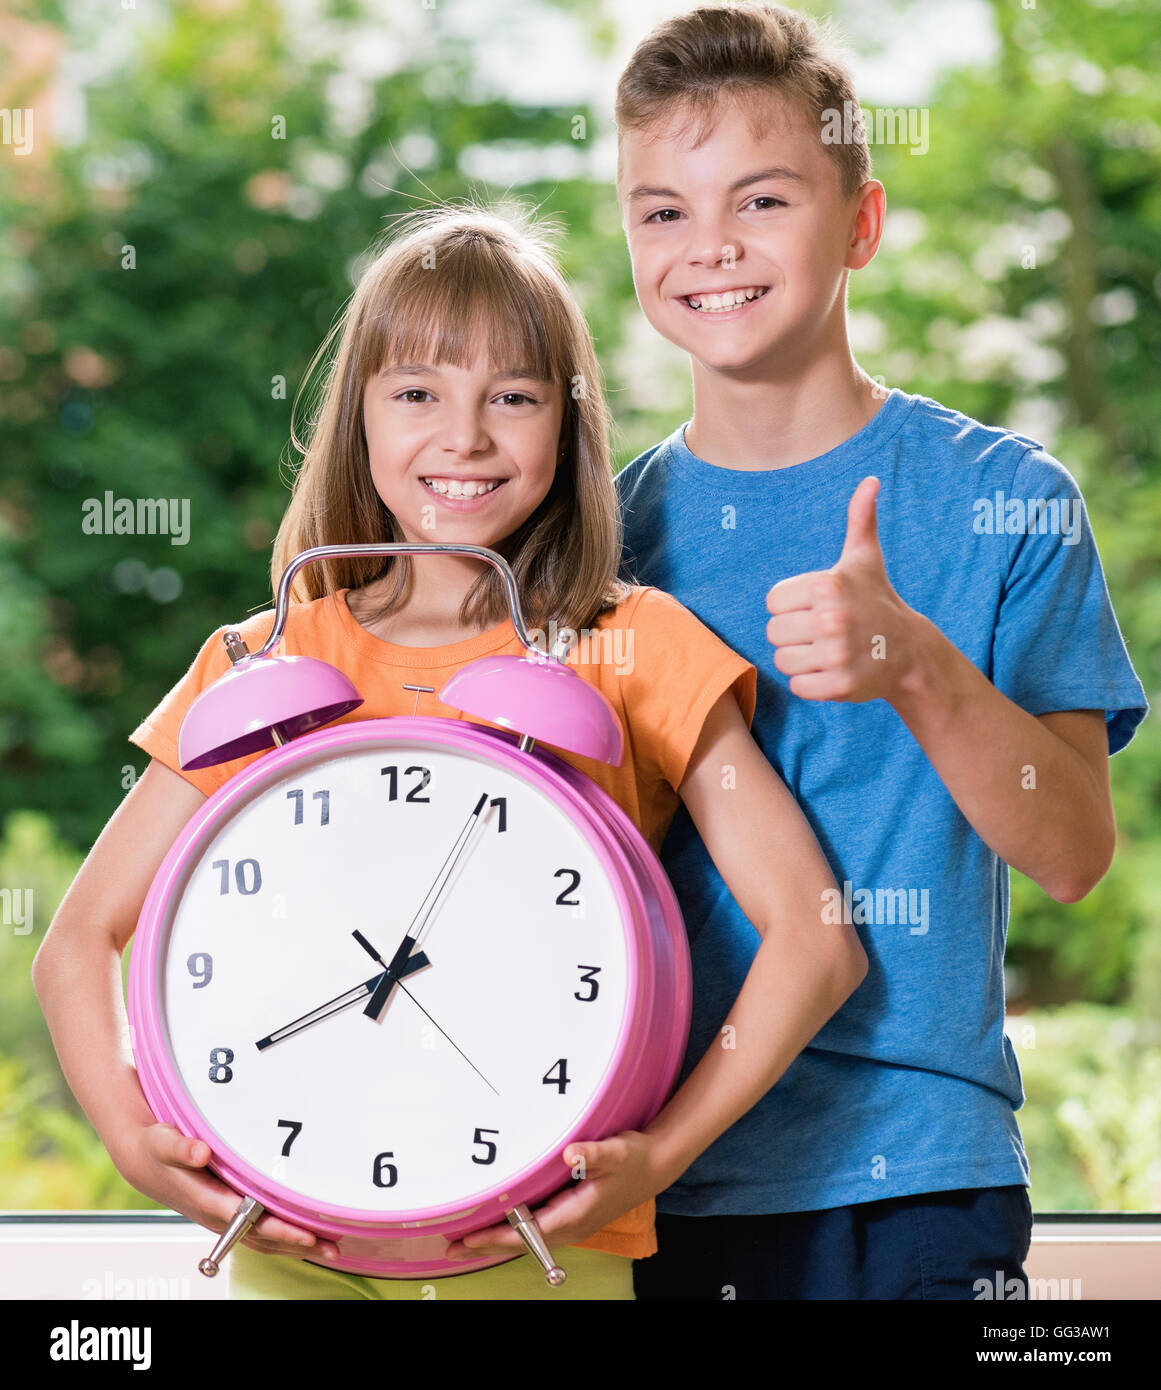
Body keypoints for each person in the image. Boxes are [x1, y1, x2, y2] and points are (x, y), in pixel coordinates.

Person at [32, 203, 866, 1302]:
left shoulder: (634, 646)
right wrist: (143, 1144)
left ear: (566, 427)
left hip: (535, 1246)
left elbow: (820, 938)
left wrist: (663, 1153)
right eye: (418, 392)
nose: (464, 437)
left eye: (512, 397)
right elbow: (76, 940)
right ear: (359, 417)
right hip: (296, 1238)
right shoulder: (263, 653)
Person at [612, 3, 1149, 1300]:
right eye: (662, 210)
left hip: (920, 1179)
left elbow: (1072, 848)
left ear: (860, 221)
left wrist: (918, 665)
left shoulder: (1007, 497)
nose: (711, 247)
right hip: (664, 1178)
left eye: (762, 198)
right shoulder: (601, 534)